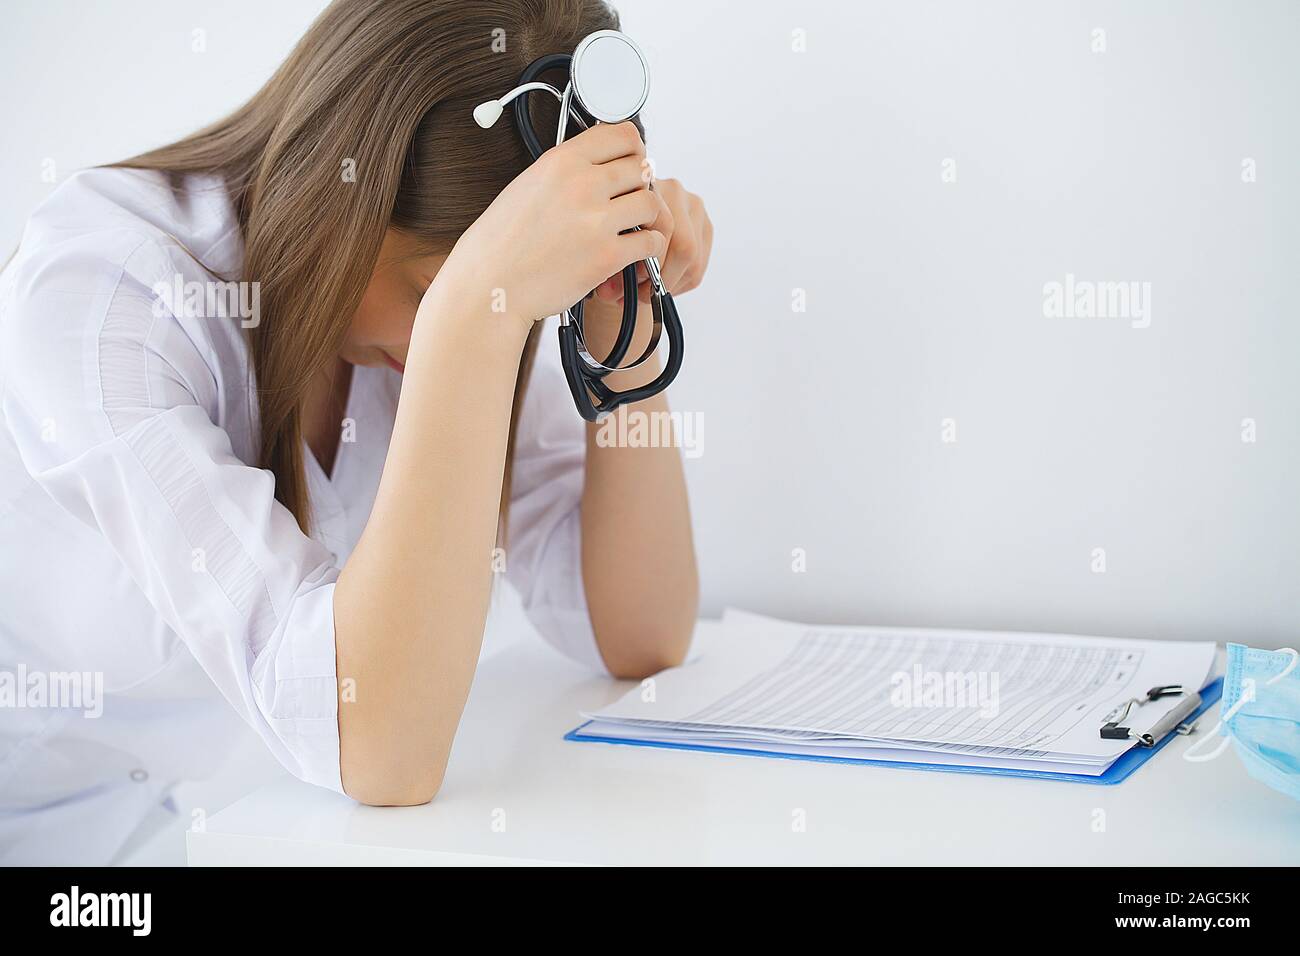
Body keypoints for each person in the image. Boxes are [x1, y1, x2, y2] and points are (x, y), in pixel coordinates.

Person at [0, 0, 709, 864]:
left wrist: (620, 311)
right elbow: (382, 750)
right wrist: (471, 313)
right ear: (344, 195)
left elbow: (637, 632)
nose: (439, 342)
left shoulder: (433, 319)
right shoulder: (107, 298)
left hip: (158, 829)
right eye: (428, 295)